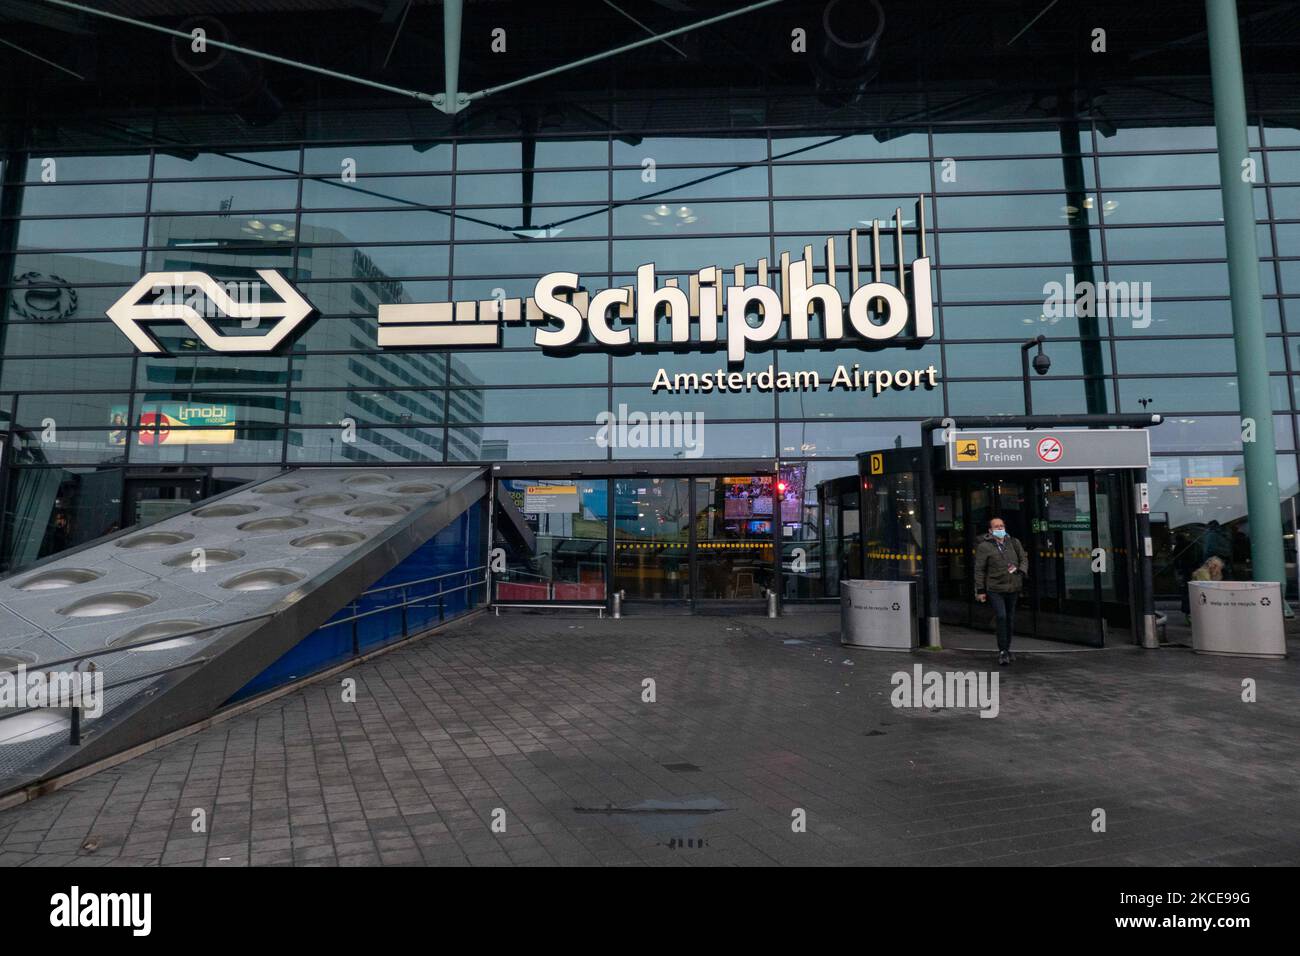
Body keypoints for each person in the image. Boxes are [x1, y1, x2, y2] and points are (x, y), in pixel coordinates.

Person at [974, 517, 1028, 666]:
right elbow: (979, 570)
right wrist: (980, 590)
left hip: (1013, 587)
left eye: (1001, 526)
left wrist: (1021, 572)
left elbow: (1023, 558)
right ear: (990, 531)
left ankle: (1007, 648)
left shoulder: (1014, 542)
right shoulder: (984, 547)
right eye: (996, 527)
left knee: (1010, 618)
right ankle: (1002, 650)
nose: (1000, 528)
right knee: (1002, 616)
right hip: (995, 588)